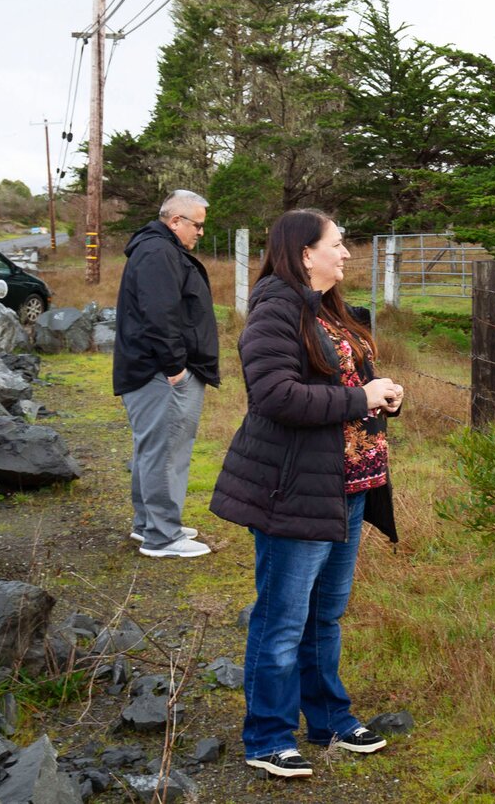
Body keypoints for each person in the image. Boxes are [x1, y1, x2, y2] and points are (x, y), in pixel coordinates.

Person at [210, 209, 404, 779]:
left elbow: (350, 382)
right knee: (281, 618)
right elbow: (275, 396)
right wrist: (359, 400)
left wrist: (385, 395)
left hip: (348, 487)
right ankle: (268, 737)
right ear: (304, 253)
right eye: (337, 244)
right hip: (295, 489)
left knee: (325, 615)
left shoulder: (329, 309)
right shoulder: (276, 307)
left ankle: (328, 721)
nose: (346, 254)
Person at [112, 190, 221, 559]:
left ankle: (148, 525)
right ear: (176, 221)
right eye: (198, 225)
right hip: (159, 372)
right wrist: (175, 367)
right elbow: (160, 314)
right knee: (167, 452)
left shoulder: (157, 250)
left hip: (152, 370)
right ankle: (163, 536)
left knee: (155, 449)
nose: (201, 233)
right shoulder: (158, 252)